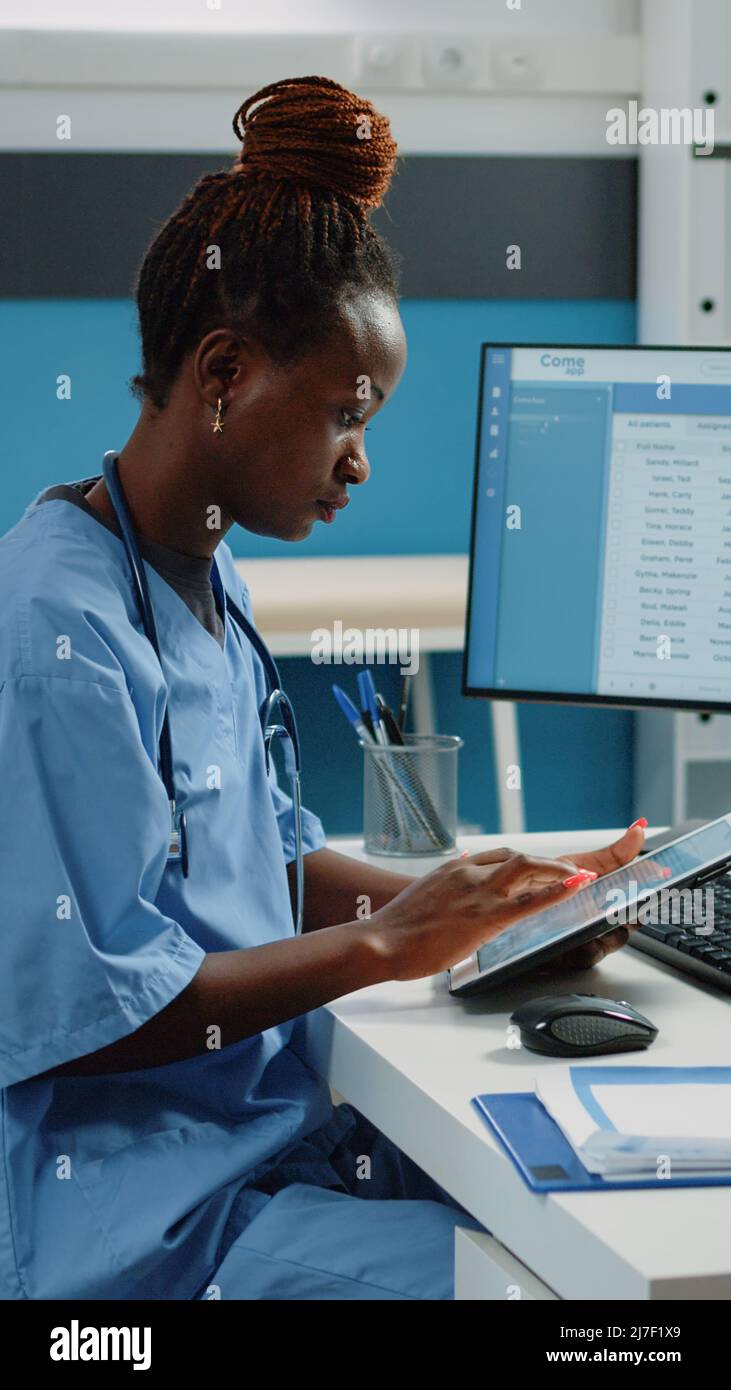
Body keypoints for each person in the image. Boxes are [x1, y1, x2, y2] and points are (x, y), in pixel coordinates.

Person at [0, 75, 647, 1301]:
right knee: (579, 1311)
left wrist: (496, 911)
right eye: (347, 413)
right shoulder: (55, 630)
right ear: (226, 370)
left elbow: (261, 865)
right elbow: (104, 1012)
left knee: (606, 1213)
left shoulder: (198, 568)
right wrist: (389, 944)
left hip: (274, 1141)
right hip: (151, 1220)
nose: (359, 460)